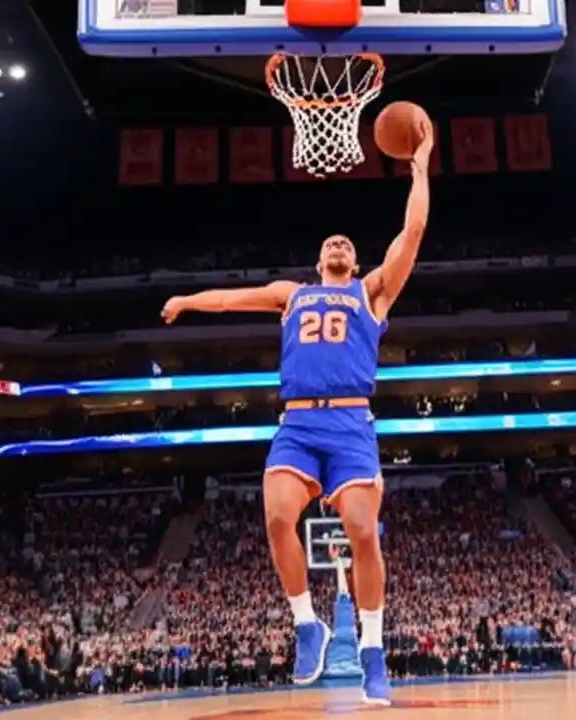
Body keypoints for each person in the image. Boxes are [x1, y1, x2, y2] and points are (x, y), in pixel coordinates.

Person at [161, 121, 433, 705]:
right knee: (278, 517)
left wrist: (419, 166)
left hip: (351, 424)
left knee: (363, 530)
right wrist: (187, 300)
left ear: (355, 263)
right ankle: (307, 622)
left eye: (346, 243)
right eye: (330, 242)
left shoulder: (373, 293)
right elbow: (232, 297)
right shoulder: (292, 293)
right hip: (298, 424)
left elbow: (412, 232)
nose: (338, 243)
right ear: (318, 260)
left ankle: (372, 649)